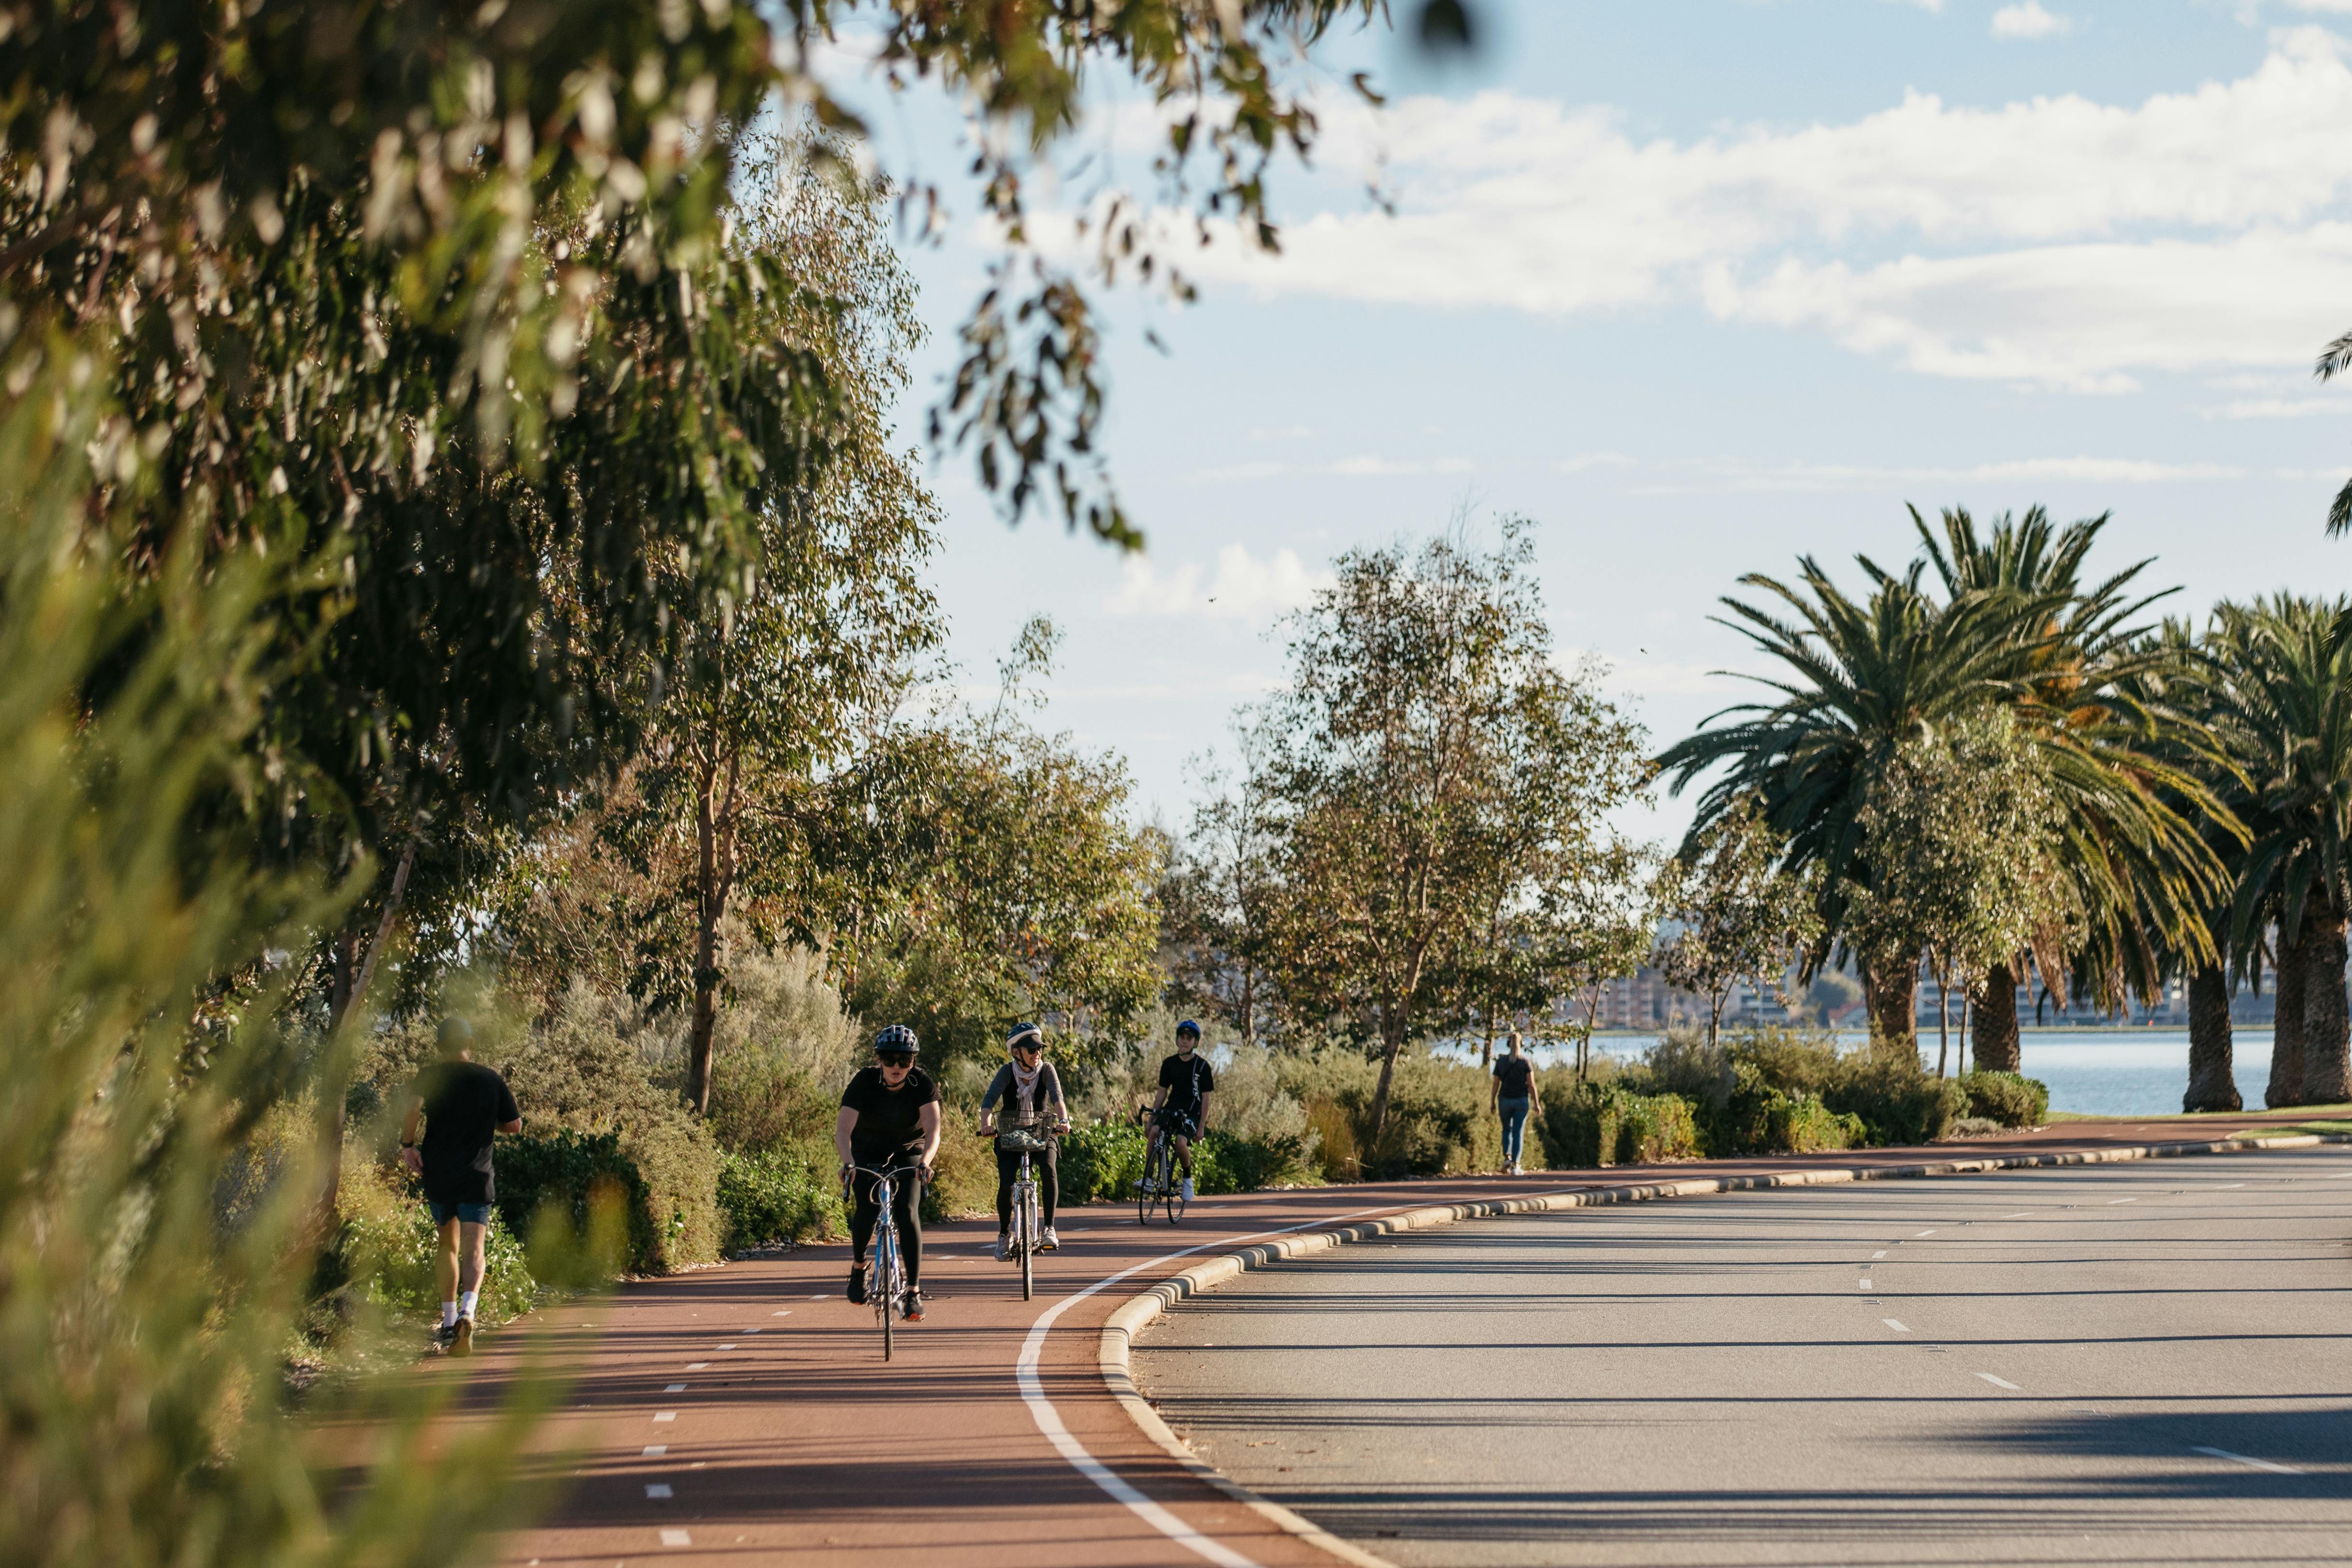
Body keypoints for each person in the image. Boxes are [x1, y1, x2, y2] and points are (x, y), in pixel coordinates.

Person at [400, 1017, 523, 1357]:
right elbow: (515, 1125)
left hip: (438, 1173)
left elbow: (412, 1108)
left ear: (439, 1045)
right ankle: (469, 1311)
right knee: (475, 1248)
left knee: (447, 1246)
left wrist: (408, 1145)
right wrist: (487, 1122)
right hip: (477, 1176)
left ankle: (448, 1320)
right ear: (470, 1042)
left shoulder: (428, 1075)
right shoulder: (491, 1078)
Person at [835, 1023, 941, 1322]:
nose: (897, 1066)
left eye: (905, 1061)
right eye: (890, 1059)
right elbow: (844, 1130)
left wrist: (926, 1162)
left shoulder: (922, 1084)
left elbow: (933, 1131)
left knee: (908, 1213)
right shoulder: (864, 1081)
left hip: (909, 1152)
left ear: (913, 1062)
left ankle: (913, 1293)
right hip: (867, 1152)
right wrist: (848, 1162)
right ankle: (858, 1270)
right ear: (879, 1060)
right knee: (867, 1212)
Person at [978, 1021, 1071, 1260]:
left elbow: (1057, 1098)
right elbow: (989, 1100)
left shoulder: (1047, 1070)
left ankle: (1049, 1228)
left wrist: (1064, 1119)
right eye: (1031, 1049)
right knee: (1007, 1183)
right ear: (1016, 1052)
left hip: (1042, 1130)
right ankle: (1003, 1235)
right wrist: (986, 1125)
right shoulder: (1006, 1072)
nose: (1037, 1053)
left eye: (1039, 1048)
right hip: (1010, 1132)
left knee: (1049, 1168)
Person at [1146, 1020, 1215, 1202]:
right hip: (1171, 1108)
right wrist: (1152, 1117)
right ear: (1177, 1040)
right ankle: (1148, 1177)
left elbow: (1206, 1098)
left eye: (1189, 1038)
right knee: (1154, 1133)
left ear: (1195, 1042)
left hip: (1192, 1112)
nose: (1185, 1041)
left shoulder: (1202, 1067)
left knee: (1180, 1143)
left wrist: (1201, 1127)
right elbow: (1162, 1092)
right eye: (1182, 1037)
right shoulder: (1169, 1064)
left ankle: (1187, 1179)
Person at [1490, 1030, 1541, 1176]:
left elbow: (1495, 1084)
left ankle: (1507, 1157)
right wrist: (1536, 1103)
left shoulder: (1501, 1061)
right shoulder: (1525, 1062)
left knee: (1506, 1130)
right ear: (1521, 1044)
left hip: (1504, 1100)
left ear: (1508, 1044)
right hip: (1521, 1101)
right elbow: (1532, 1085)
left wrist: (1492, 1101)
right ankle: (1515, 1165)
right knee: (1518, 1132)